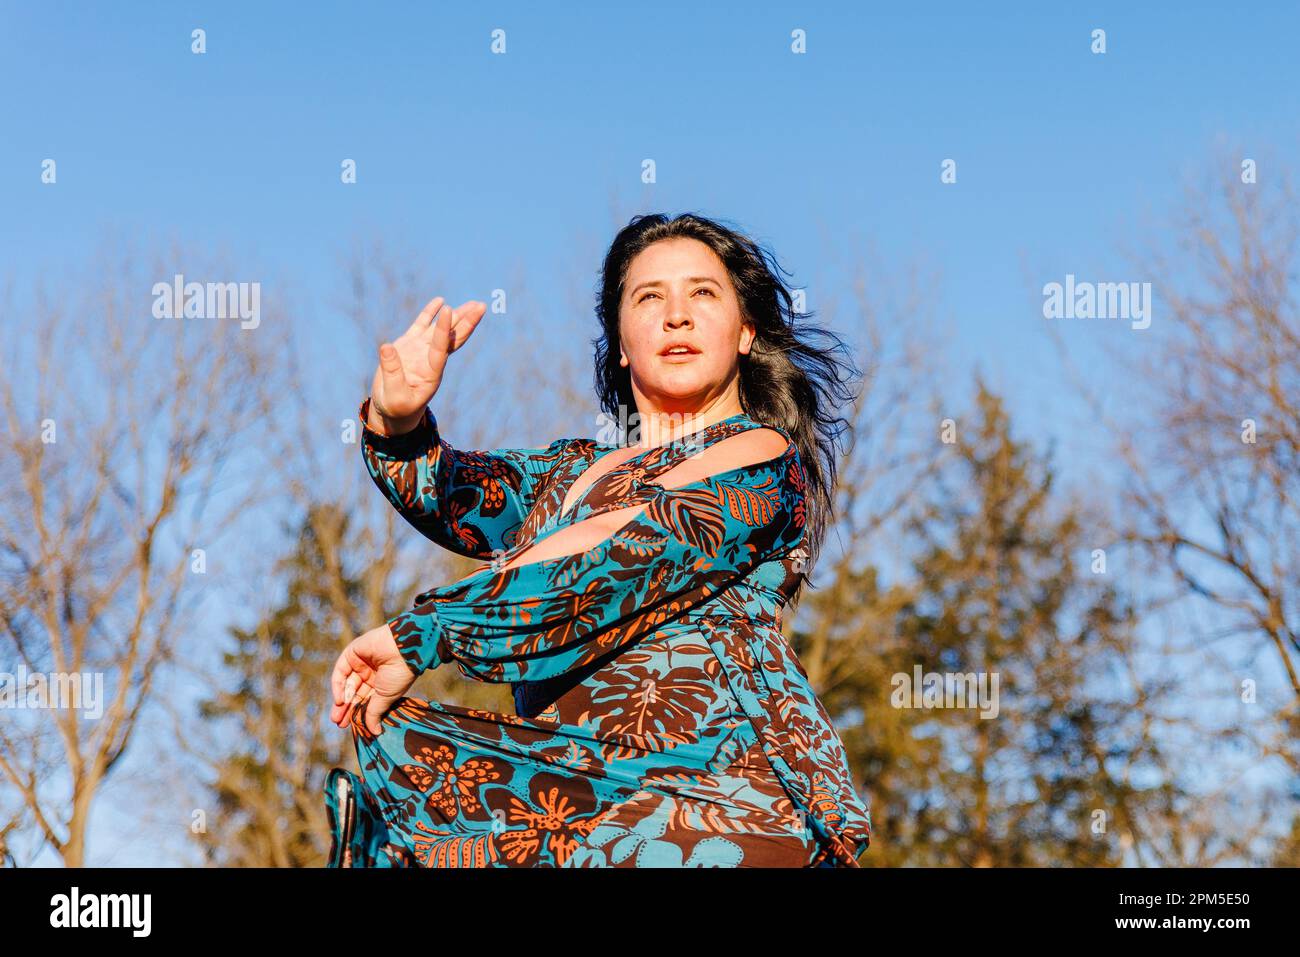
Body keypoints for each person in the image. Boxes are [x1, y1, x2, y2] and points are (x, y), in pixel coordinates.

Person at [323, 212, 873, 867]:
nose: (677, 315)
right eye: (649, 297)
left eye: (703, 292)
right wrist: (397, 416)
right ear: (619, 341)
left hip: (719, 802)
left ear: (746, 331)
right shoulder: (572, 473)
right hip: (574, 799)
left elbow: (619, 550)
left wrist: (428, 632)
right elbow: (454, 495)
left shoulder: (759, 456)